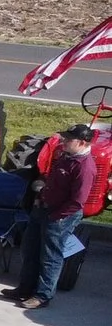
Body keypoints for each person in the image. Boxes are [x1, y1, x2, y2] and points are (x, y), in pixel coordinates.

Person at [10, 125, 97, 311]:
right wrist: (40, 199)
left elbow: (78, 201)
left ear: (82, 143)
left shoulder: (85, 167)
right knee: (30, 249)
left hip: (60, 216)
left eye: (68, 139)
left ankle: (43, 296)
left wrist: (56, 217)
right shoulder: (67, 156)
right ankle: (24, 289)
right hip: (42, 209)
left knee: (50, 256)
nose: (63, 141)